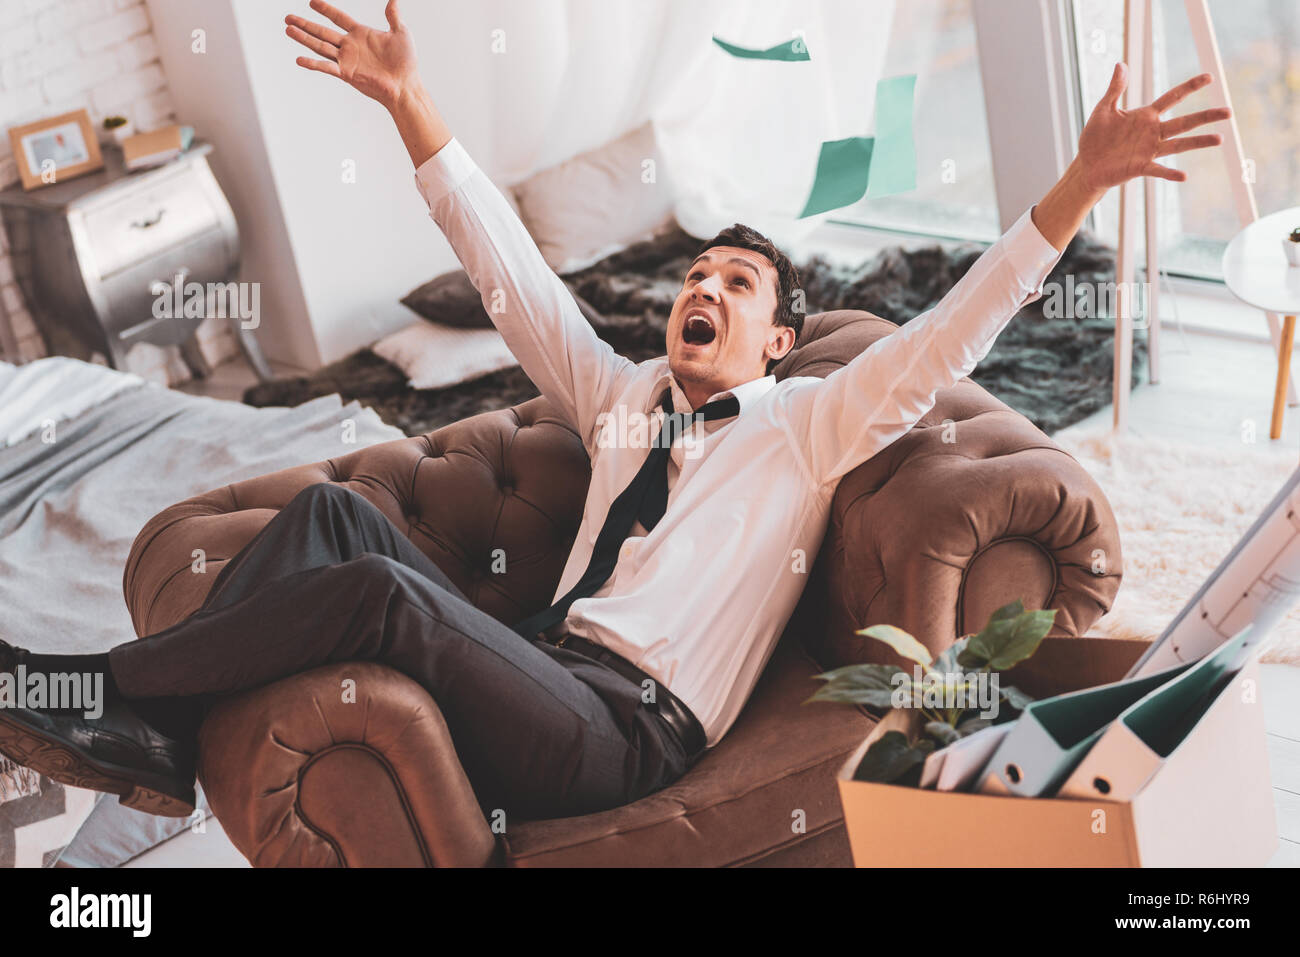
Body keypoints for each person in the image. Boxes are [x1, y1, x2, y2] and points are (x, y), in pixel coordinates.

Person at [0, 0, 1231, 820]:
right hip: (538, 666)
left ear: (779, 340)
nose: (702, 287)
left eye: (734, 284)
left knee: (375, 593)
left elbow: (950, 330)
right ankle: (154, 736)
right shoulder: (621, 399)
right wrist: (409, 105)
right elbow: (510, 280)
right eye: (696, 274)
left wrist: (1075, 186)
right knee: (337, 522)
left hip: (624, 728)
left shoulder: (806, 425)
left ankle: (109, 693)